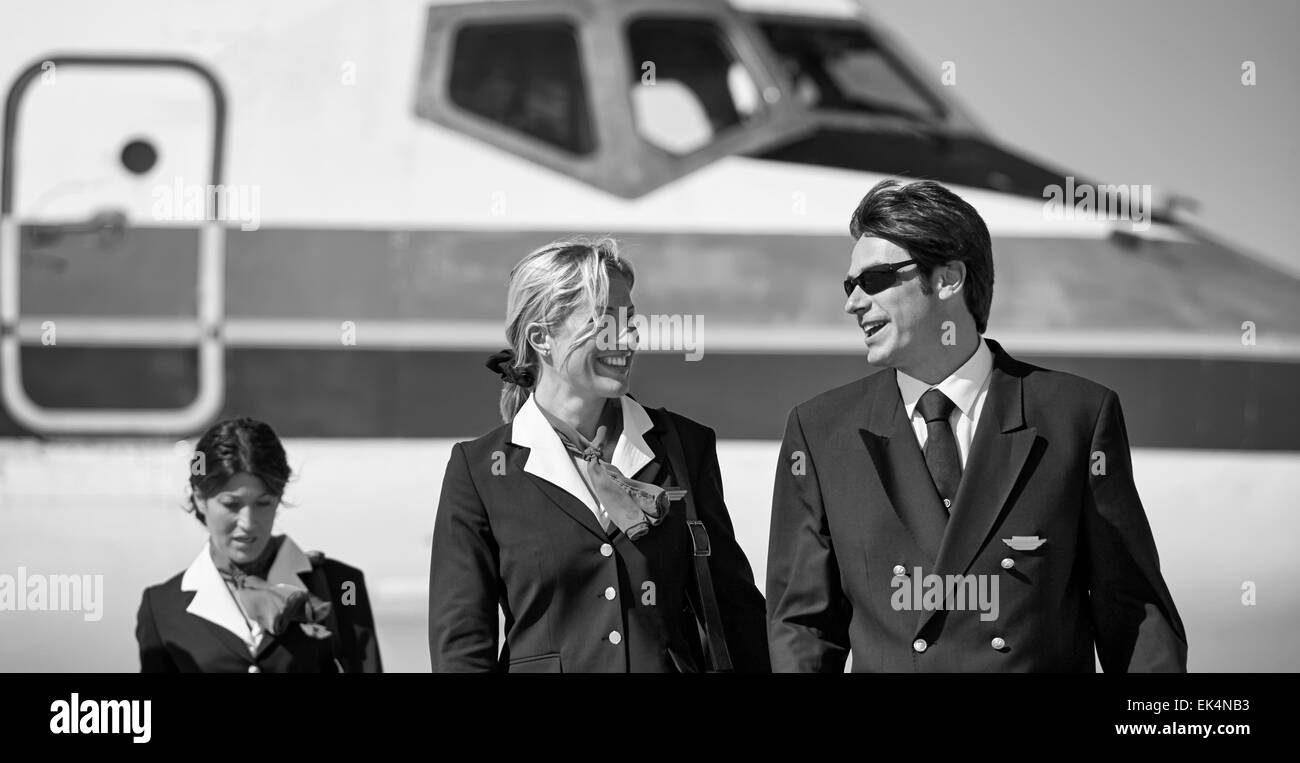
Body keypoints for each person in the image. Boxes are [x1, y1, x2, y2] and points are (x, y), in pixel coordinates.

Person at [766, 179, 1187, 672]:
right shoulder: (820, 431)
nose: (853, 302)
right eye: (850, 284)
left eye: (875, 279)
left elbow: (1134, 613)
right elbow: (802, 627)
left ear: (948, 279)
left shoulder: (1077, 416)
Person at [428, 237, 769, 672]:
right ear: (541, 337)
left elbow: (734, 608)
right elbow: (462, 647)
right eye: (605, 321)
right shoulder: (478, 472)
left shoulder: (685, 445)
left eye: (630, 320)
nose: (628, 337)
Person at [136, 417, 382, 672]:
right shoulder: (161, 608)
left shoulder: (342, 584)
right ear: (199, 499)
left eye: (263, 503)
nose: (248, 522)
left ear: (279, 499)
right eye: (231, 505)